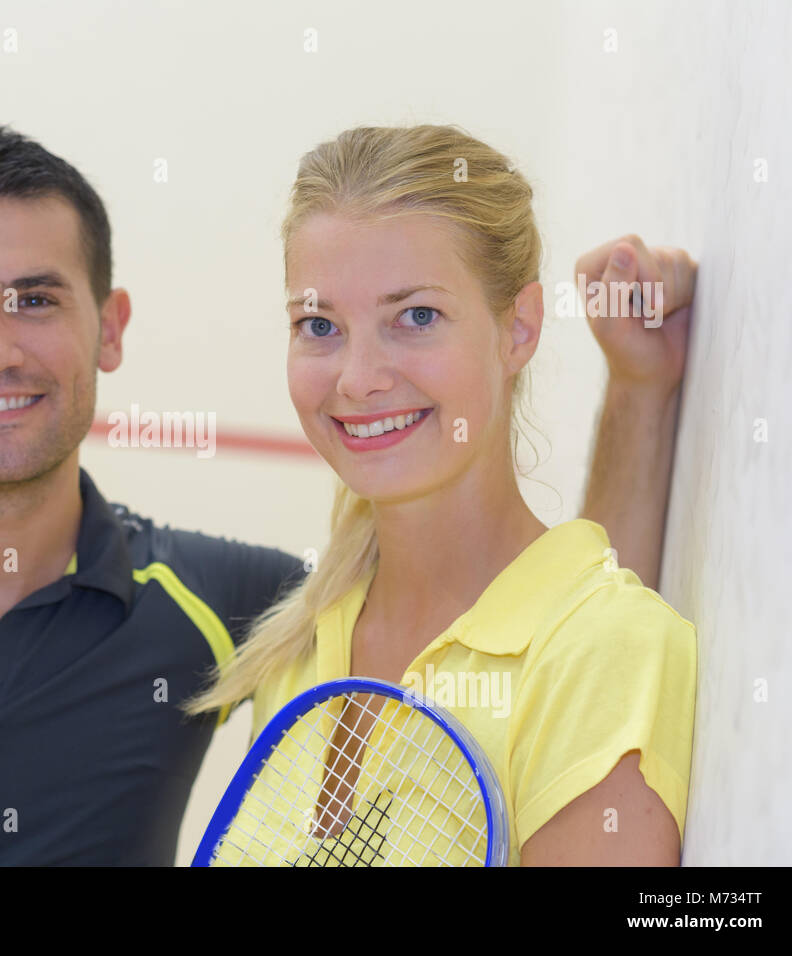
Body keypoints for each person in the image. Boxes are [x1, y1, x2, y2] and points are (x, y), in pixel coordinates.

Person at [0, 125, 692, 865]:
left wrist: (641, 393)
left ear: (109, 328)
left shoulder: (231, 614)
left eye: (33, 298)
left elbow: (560, 635)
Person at [182, 125, 697, 867]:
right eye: (318, 325)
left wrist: (640, 388)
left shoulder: (608, 646)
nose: (358, 377)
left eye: (416, 317)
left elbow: (584, 647)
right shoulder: (302, 648)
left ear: (518, 328)